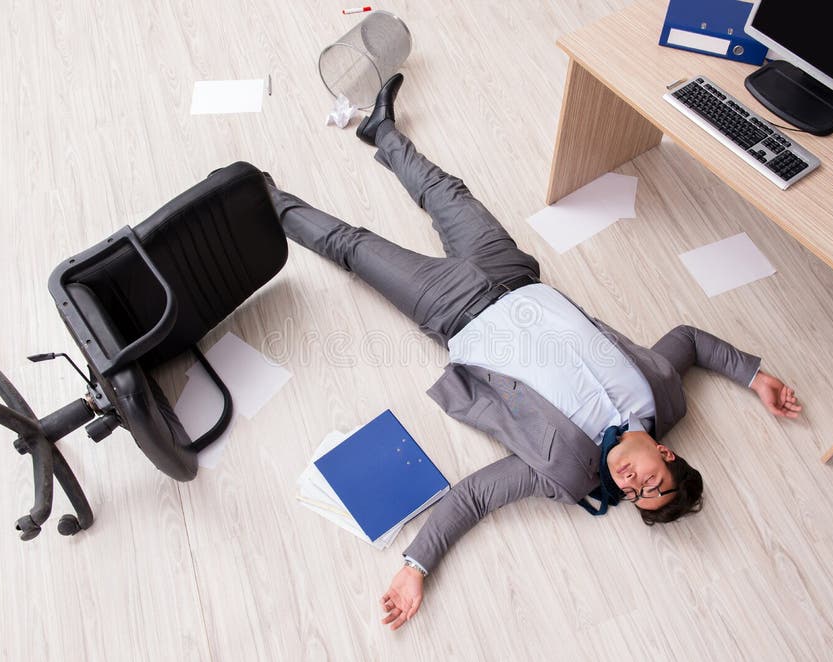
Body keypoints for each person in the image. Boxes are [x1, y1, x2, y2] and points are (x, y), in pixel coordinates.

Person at [266, 74, 802, 631]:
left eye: (634, 497)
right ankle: (381, 130)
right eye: (650, 482)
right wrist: (753, 375)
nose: (631, 485)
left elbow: (475, 497)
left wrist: (416, 566)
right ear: (667, 456)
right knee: (447, 193)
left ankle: (268, 200)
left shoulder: (568, 474)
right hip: (513, 276)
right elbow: (690, 339)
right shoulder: (662, 394)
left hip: (456, 313)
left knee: (353, 246)